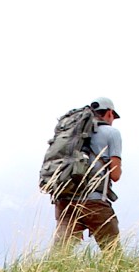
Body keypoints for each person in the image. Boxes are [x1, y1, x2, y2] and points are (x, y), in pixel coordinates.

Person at [52, 97, 123, 252]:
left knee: (60, 257)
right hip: (95, 202)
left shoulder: (70, 132)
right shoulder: (112, 133)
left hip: (65, 200)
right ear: (109, 113)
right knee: (113, 255)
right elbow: (115, 175)